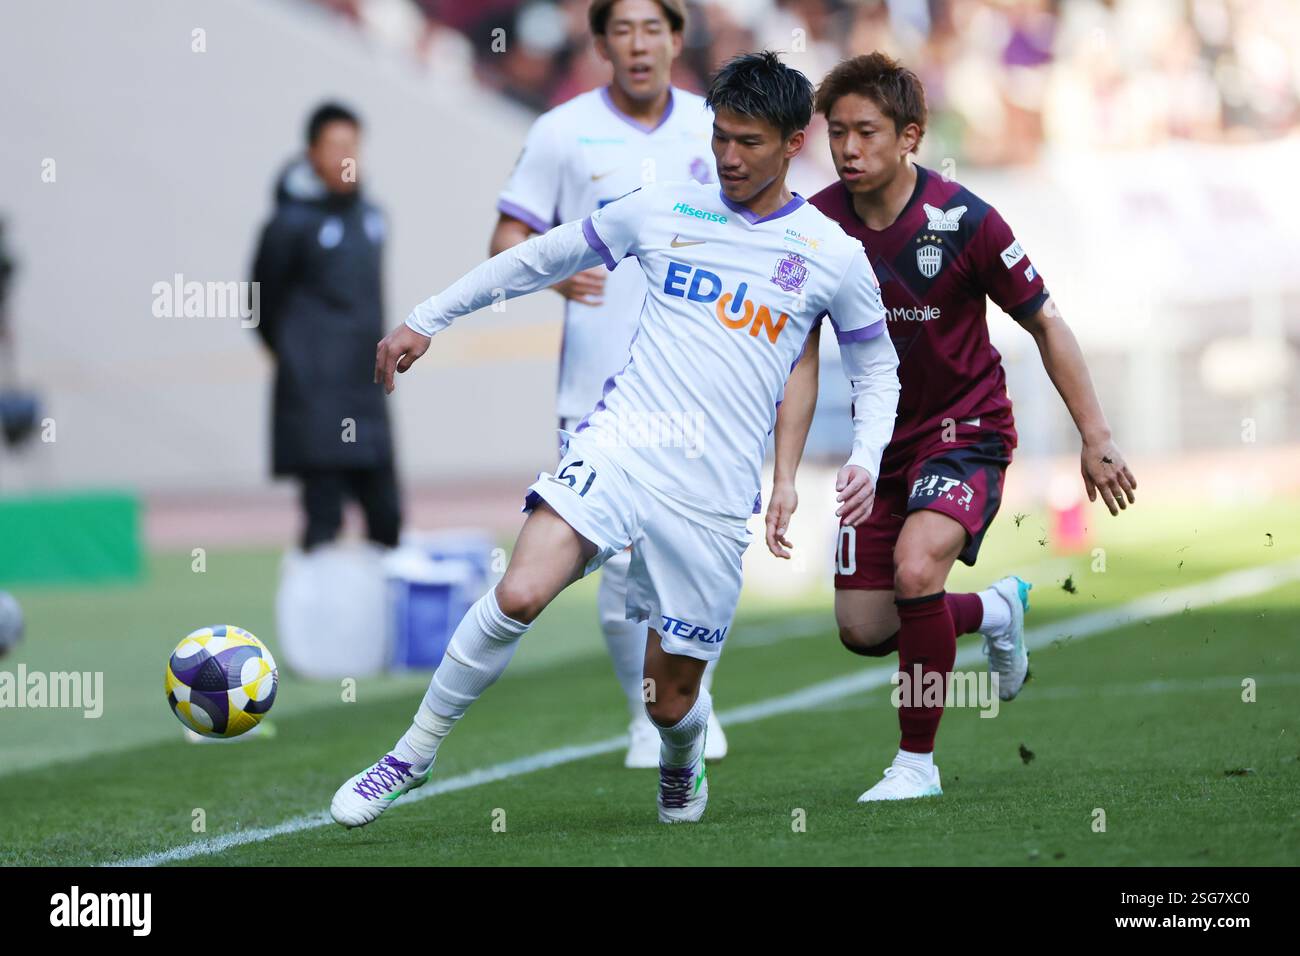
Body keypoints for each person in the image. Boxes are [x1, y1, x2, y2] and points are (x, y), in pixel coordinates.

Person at [329, 51, 899, 827]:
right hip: (620, 446)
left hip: (712, 495)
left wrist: (864, 457)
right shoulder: (663, 209)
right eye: (721, 137)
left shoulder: (833, 255)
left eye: (750, 143)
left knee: (670, 700)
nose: (728, 158)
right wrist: (430, 317)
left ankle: (680, 758)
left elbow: (877, 371)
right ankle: (411, 755)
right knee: (521, 591)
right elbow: (543, 256)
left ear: (795, 141)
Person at [767, 53, 1137, 803]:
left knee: (914, 570)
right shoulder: (813, 228)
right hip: (879, 447)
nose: (847, 149)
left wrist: (1095, 436)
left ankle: (915, 765)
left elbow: (1046, 323)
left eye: (866, 132)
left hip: (964, 429)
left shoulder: (967, 220)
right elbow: (798, 359)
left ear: (910, 136)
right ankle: (996, 609)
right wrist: (783, 475)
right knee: (864, 627)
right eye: (835, 133)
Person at [490, 0, 725, 769]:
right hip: (595, 386)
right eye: (621, 30)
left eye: (651, 29)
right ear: (600, 44)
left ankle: (693, 697)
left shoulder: (713, 126)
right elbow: (508, 239)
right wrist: (559, 279)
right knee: (619, 559)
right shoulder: (561, 131)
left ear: (675, 39)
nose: (637, 44)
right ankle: (645, 713)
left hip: (700, 379)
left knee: (691, 549)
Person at [251, 102, 401, 553]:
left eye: (352, 146)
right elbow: (260, 306)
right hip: (314, 397)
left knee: (387, 517)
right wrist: (302, 356)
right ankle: (317, 619)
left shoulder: (373, 218)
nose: (345, 157)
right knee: (324, 522)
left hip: (366, 393)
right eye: (335, 147)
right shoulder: (287, 224)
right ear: (312, 154)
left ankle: (379, 621)